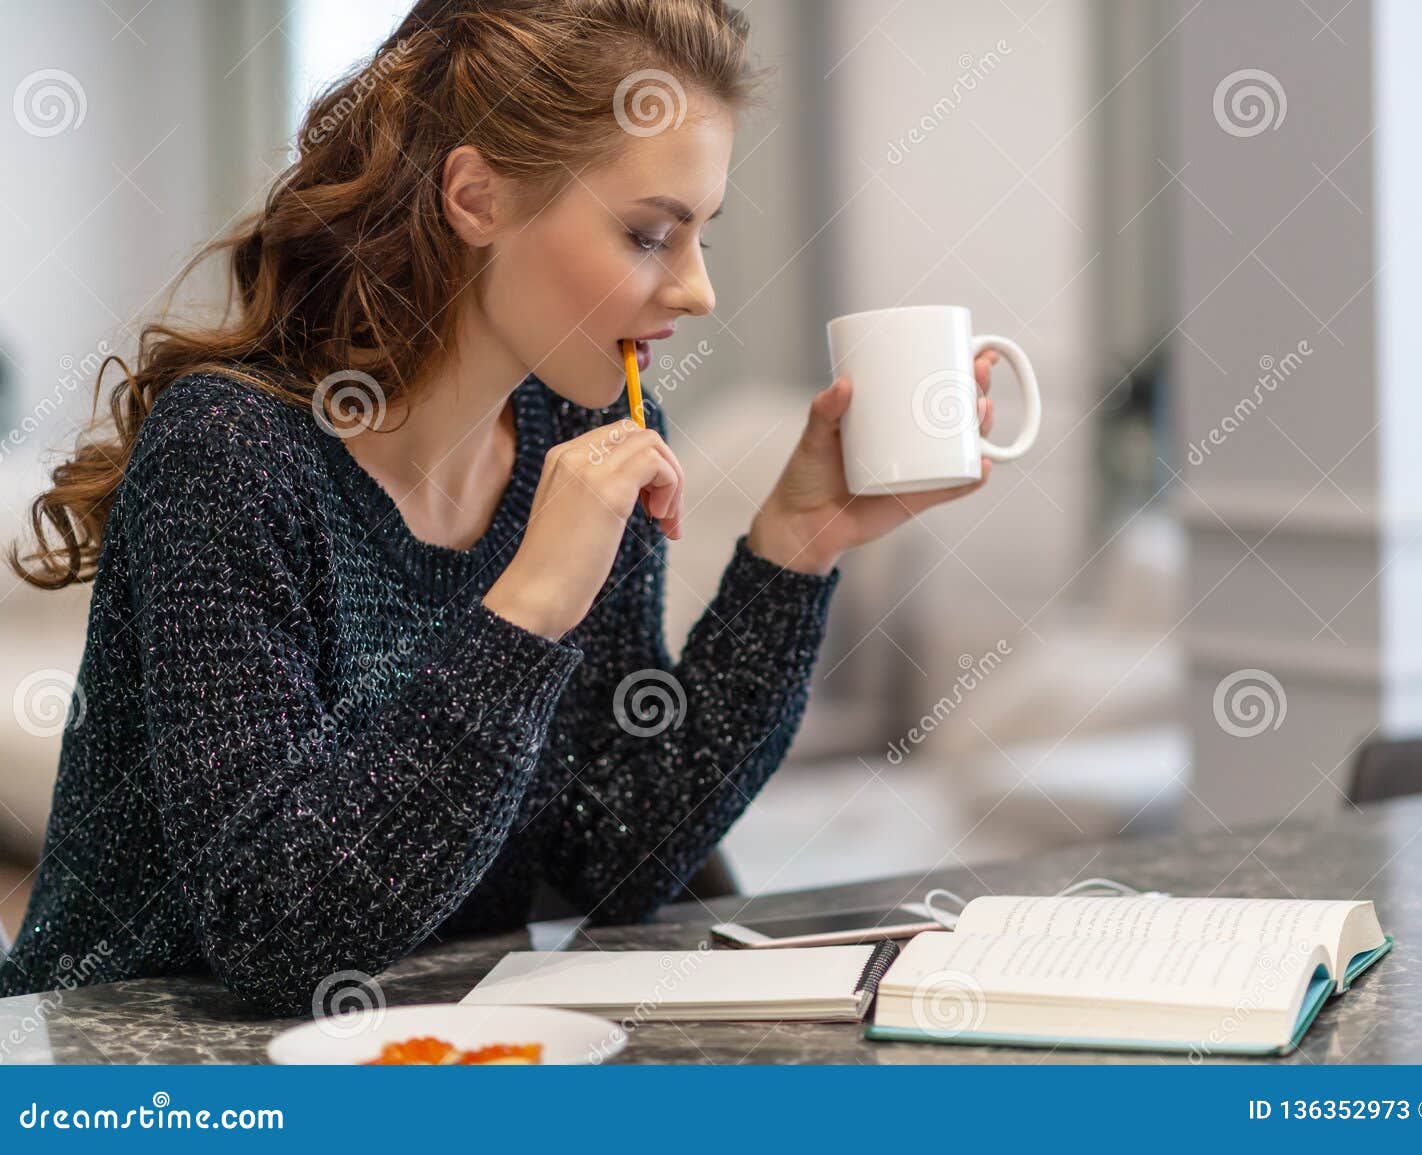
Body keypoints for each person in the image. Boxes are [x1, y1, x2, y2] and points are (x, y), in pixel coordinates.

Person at [0, 0, 1002, 1016]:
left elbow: (618, 853)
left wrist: (798, 541)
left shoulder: (576, 440)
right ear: (477, 197)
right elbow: (277, 930)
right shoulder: (231, 452)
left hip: (424, 1049)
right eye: (650, 233)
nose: (697, 290)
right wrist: (526, 609)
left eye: (699, 235)